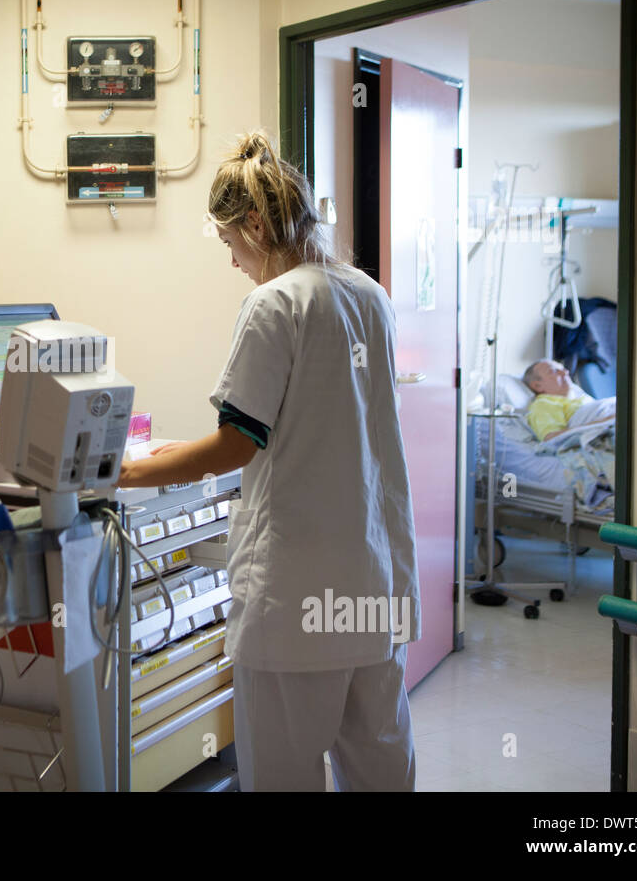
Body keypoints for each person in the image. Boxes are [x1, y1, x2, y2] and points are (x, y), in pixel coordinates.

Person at [117, 129, 419, 791]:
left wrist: (128, 470)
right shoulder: (367, 294)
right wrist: (174, 450)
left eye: (229, 242)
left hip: (297, 602)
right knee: (380, 769)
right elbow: (323, 424)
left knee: (282, 777)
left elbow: (236, 444)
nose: (231, 260)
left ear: (254, 223)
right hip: (371, 591)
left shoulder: (273, 303)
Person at [521, 359, 615, 442]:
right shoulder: (543, 404)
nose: (565, 372)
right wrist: (603, 422)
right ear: (537, 386)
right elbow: (551, 439)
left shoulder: (579, 397)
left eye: (562, 369)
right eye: (554, 371)